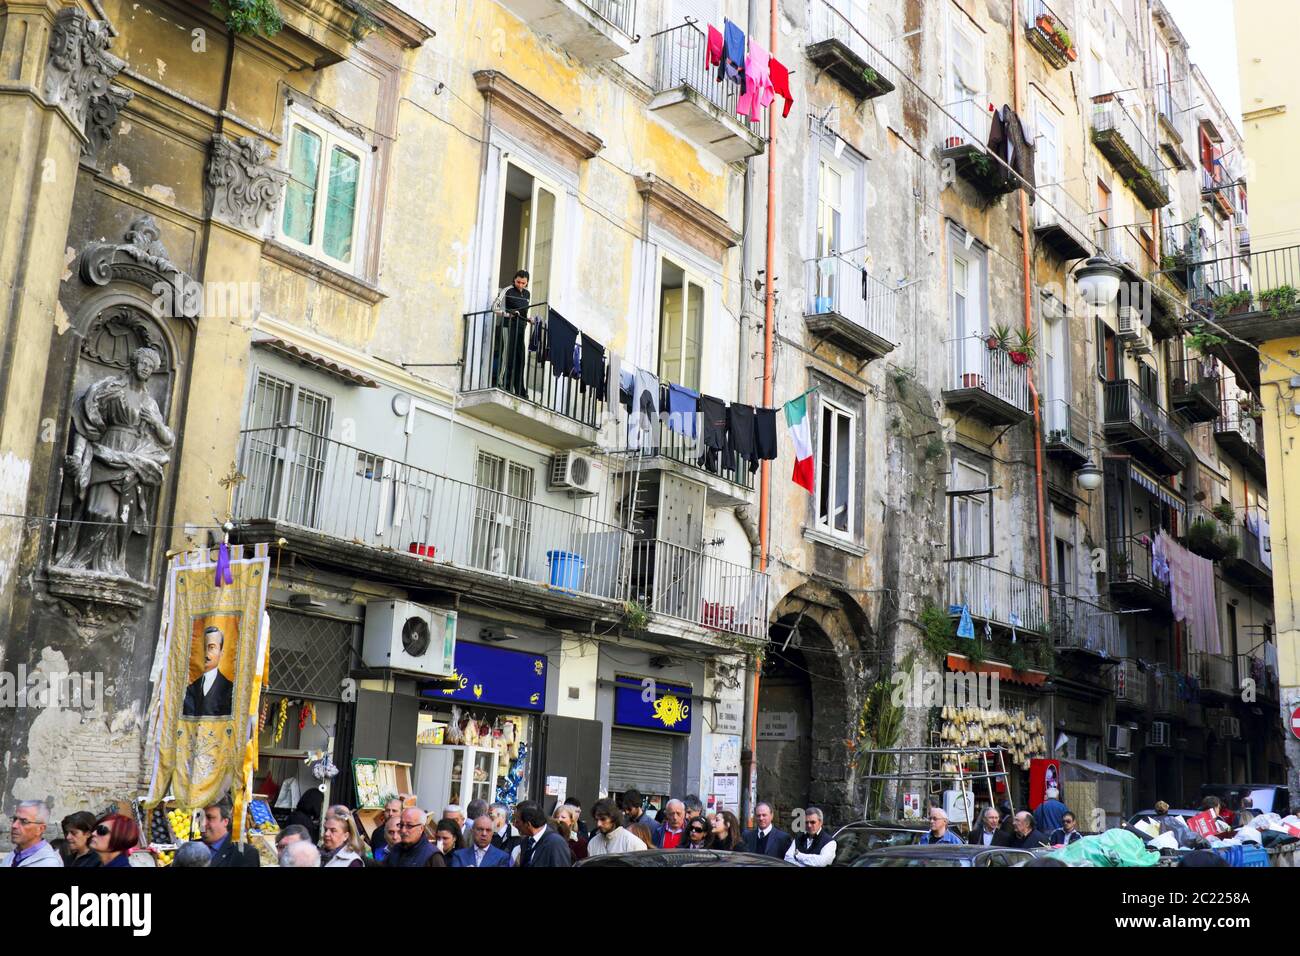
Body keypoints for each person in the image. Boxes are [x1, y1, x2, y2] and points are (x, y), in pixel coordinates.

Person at [490, 270, 531, 396]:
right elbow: (494, 308)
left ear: (527, 283)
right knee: (507, 355)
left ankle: (519, 389)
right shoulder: (507, 290)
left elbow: (524, 312)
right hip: (508, 326)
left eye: (523, 283)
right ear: (514, 279)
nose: (520, 285)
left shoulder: (527, 294)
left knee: (520, 359)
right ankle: (501, 383)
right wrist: (509, 314)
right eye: (518, 282)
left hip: (521, 329)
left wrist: (529, 319)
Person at [183, 624, 235, 717]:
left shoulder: (230, 690)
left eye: (211, 647)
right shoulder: (190, 689)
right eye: (204, 648)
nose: (206, 654)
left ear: (221, 652)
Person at [4, 801, 64, 867]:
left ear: (40, 829)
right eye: (14, 819)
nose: (14, 825)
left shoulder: (49, 863)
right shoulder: (12, 856)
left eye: (24, 821)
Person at [202, 801, 260, 867]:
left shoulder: (245, 854)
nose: (202, 823)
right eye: (200, 817)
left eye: (209, 818)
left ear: (225, 821)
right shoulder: (190, 847)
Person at [514, 801, 571, 867]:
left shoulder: (556, 843)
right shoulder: (526, 841)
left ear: (528, 824)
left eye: (517, 822)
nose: (515, 825)